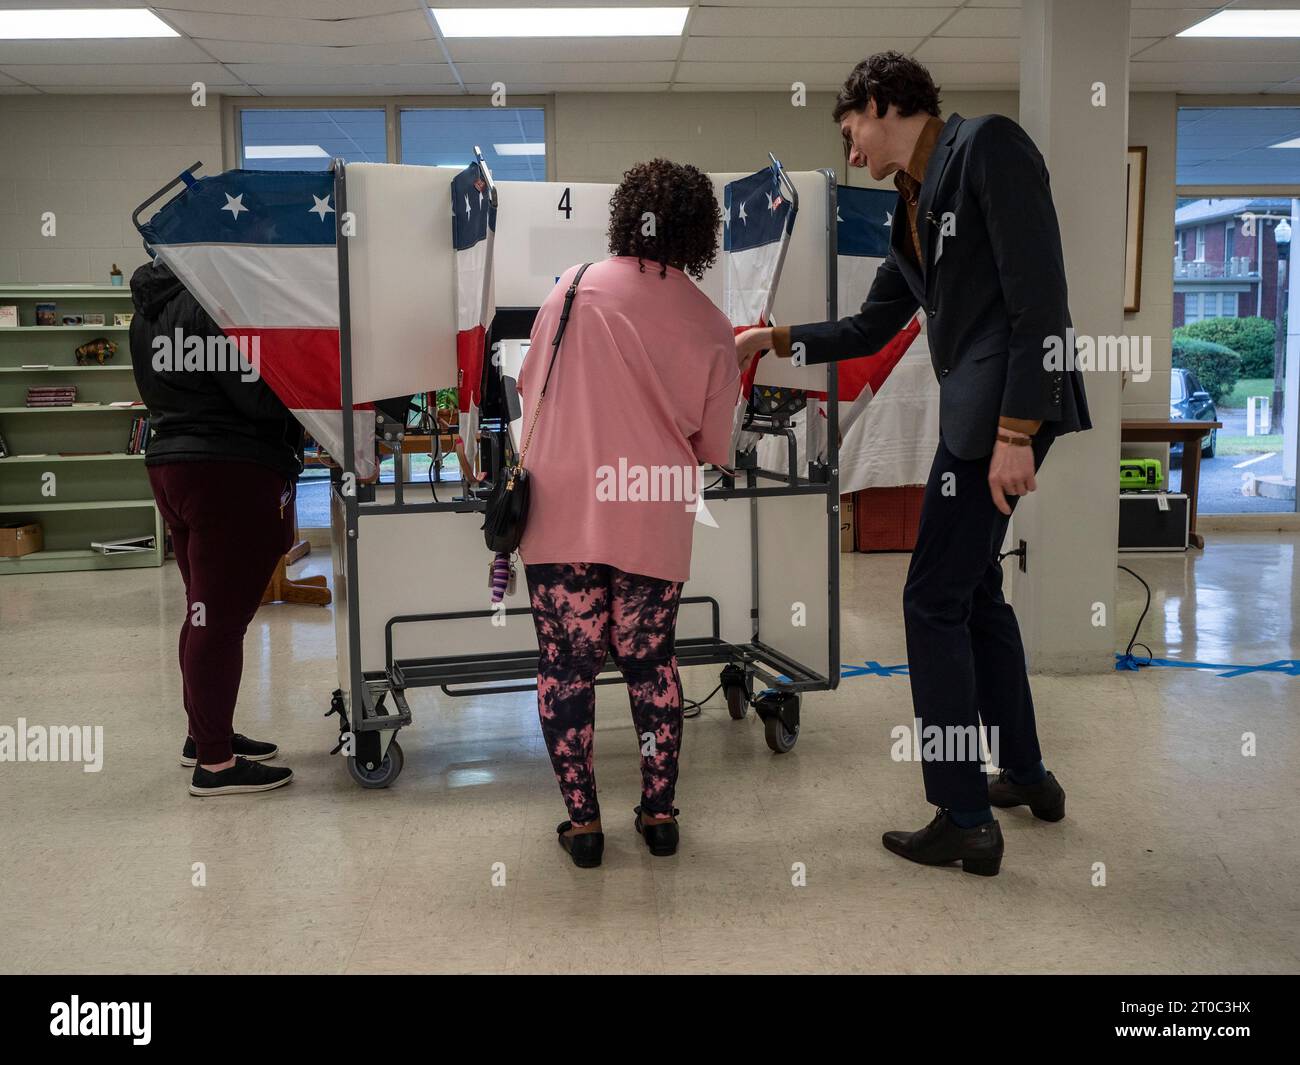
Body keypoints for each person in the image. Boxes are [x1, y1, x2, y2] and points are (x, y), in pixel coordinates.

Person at [737, 53, 1090, 877]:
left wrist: (1014, 431)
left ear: (882, 103)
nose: (851, 149)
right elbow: (867, 330)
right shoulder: (910, 206)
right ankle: (1028, 774)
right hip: (980, 414)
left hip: (1001, 413)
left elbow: (1040, 295)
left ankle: (963, 814)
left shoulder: (988, 148)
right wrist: (775, 339)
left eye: (851, 128)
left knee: (928, 597)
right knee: (972, 591)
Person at [517, 159, 739, 867]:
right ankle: (661, 813)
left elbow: (528, 386)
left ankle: (584, 826)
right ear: (699, 232)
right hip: (650, 507)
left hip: (563, 507)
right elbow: (714, 444)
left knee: (567, 666)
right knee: (651, 666)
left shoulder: (572, 288)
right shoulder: (710, 322)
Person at [129, 258, 303, 797]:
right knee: (219, 622)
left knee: (201, 609)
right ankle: (216, 764)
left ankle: (204, 736)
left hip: (171, 464)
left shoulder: (147, 309)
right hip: (228, 469)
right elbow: (252, 395)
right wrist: (302, 407)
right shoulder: (215, 303)